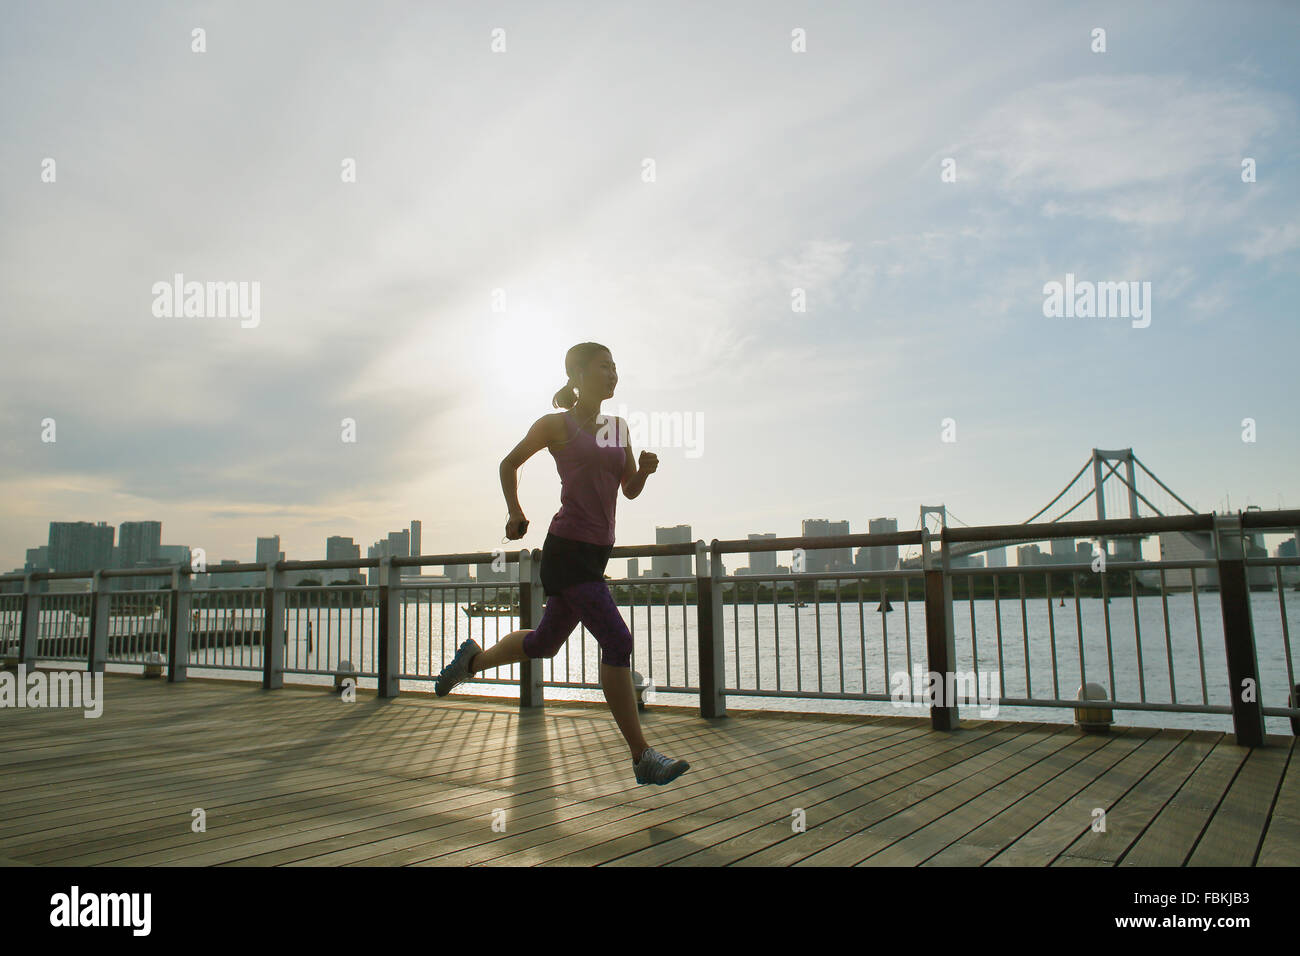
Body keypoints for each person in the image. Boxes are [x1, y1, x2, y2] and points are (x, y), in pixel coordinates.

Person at [435, 342, 689, 786]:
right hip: (567, 549)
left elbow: (627, 489)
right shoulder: (557, 424)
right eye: (604, 367)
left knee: (544, 643)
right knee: (618, 640)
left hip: (596, 552)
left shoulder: (617, 427)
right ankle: (641, 756)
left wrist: (644, 471)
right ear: (578, 374)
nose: (613, 374)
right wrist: (514, 511)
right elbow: (509, 462)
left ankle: (470, 663)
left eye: (616, 368)